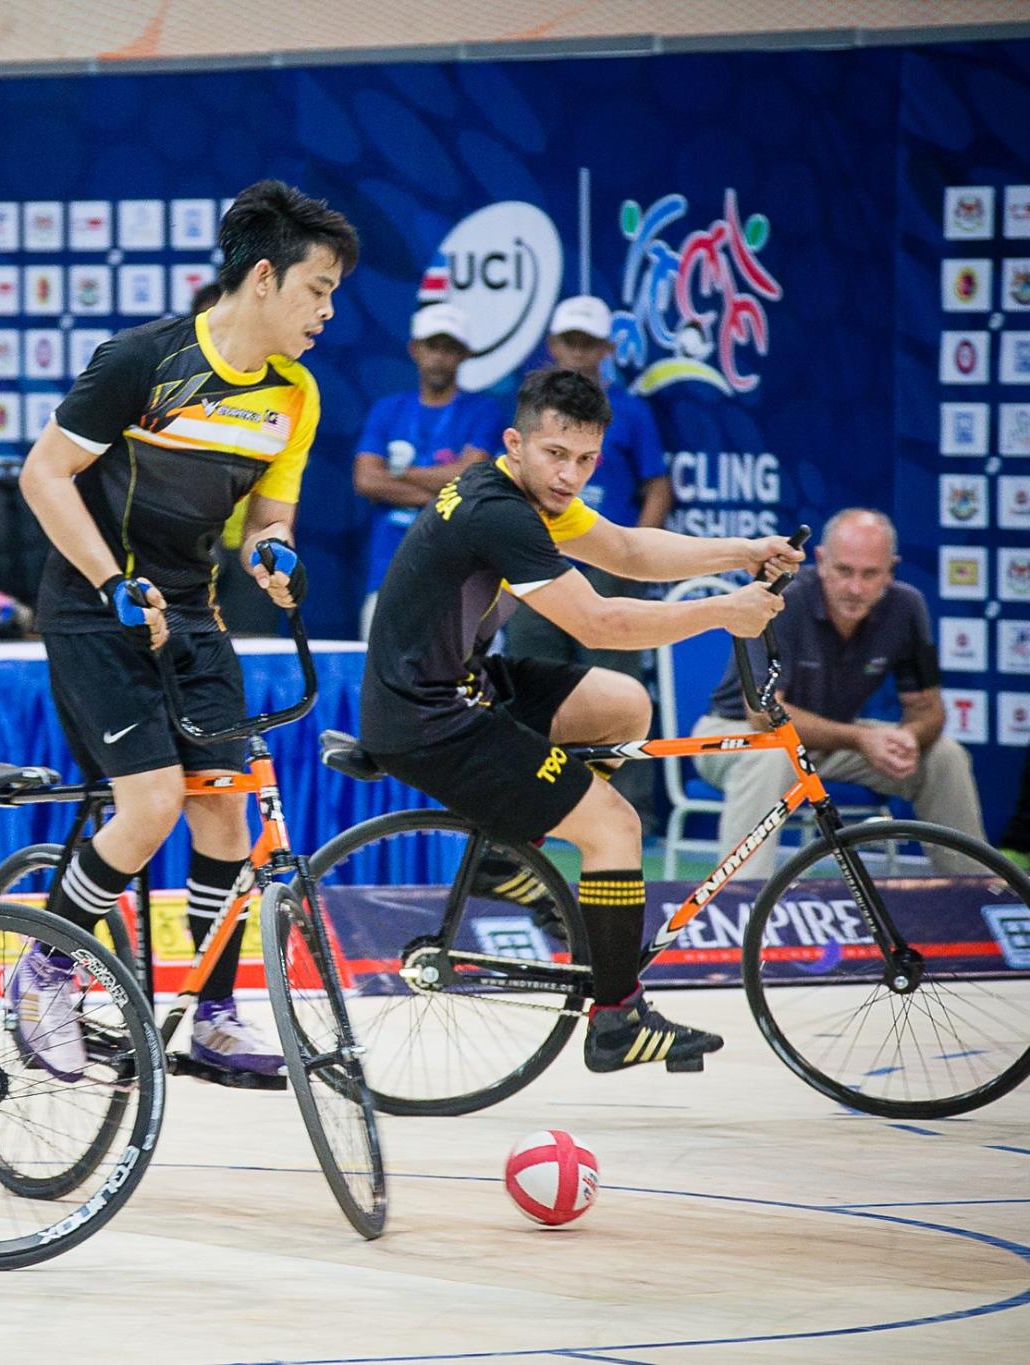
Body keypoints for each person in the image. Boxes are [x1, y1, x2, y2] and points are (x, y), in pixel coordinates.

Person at [359, 367, 800, 1073]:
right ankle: (617, 1018)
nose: (570, 475)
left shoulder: (527, 493)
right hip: (431, 717)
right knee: (615, 826)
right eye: (555, 454)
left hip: (461, 685)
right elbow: (599, 622)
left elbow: (627, 550)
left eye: (586, 459)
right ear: (515, 444)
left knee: (624, 705)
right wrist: (723, 611)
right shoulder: (499, 513)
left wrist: (741, 552)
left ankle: (510, 852)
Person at [12, 180, 355, 1080]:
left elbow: (267, 519)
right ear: (265, 278)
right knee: (154, 800)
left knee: (225, 806)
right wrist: (111, 582)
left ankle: (213, 1015)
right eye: (318, 289)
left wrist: (274, 554)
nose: (328, 311)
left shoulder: (296, 395)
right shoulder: (142, 360)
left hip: (193, 611)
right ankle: (42, 976)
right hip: (96, 608)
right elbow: (44, 475)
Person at [692, 508, 984, 880]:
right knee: (772, 756)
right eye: (844, 571)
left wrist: (909, 737)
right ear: (821, 561)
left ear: (891, 570)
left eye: (870, 574)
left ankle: (974, 894)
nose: (855, 588)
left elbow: (928, 709)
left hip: (832, 740)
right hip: (738, 735)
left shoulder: (907, 606)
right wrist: (861, 738)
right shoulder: (782, 599)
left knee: (944, 756)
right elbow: (764, 714)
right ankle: (743, 903)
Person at [502, 295, 673, 826]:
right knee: (531, 682)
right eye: (569, 341)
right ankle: (529, 806)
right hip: (539, 561)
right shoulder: (531, 415)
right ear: (553, 345)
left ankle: (630, 811)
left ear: (606, 348)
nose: (577, 352)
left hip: (604, 562)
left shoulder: (632, 411)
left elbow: (657, 488)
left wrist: (628, 556)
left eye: (588, 343)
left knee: (620, 687)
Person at [351, 302, 505, 636]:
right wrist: (444, 494)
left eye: (450, 348)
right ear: (415, 350)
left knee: (465, 669)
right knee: (382, 667)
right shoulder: (388, 410)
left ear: (464, 354)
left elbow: (471, 475)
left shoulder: (483, 411)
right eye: (432, 346)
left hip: (462, 573)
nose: (439, 357)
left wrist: (398, 474)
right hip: (390, 569)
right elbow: (365, 480)